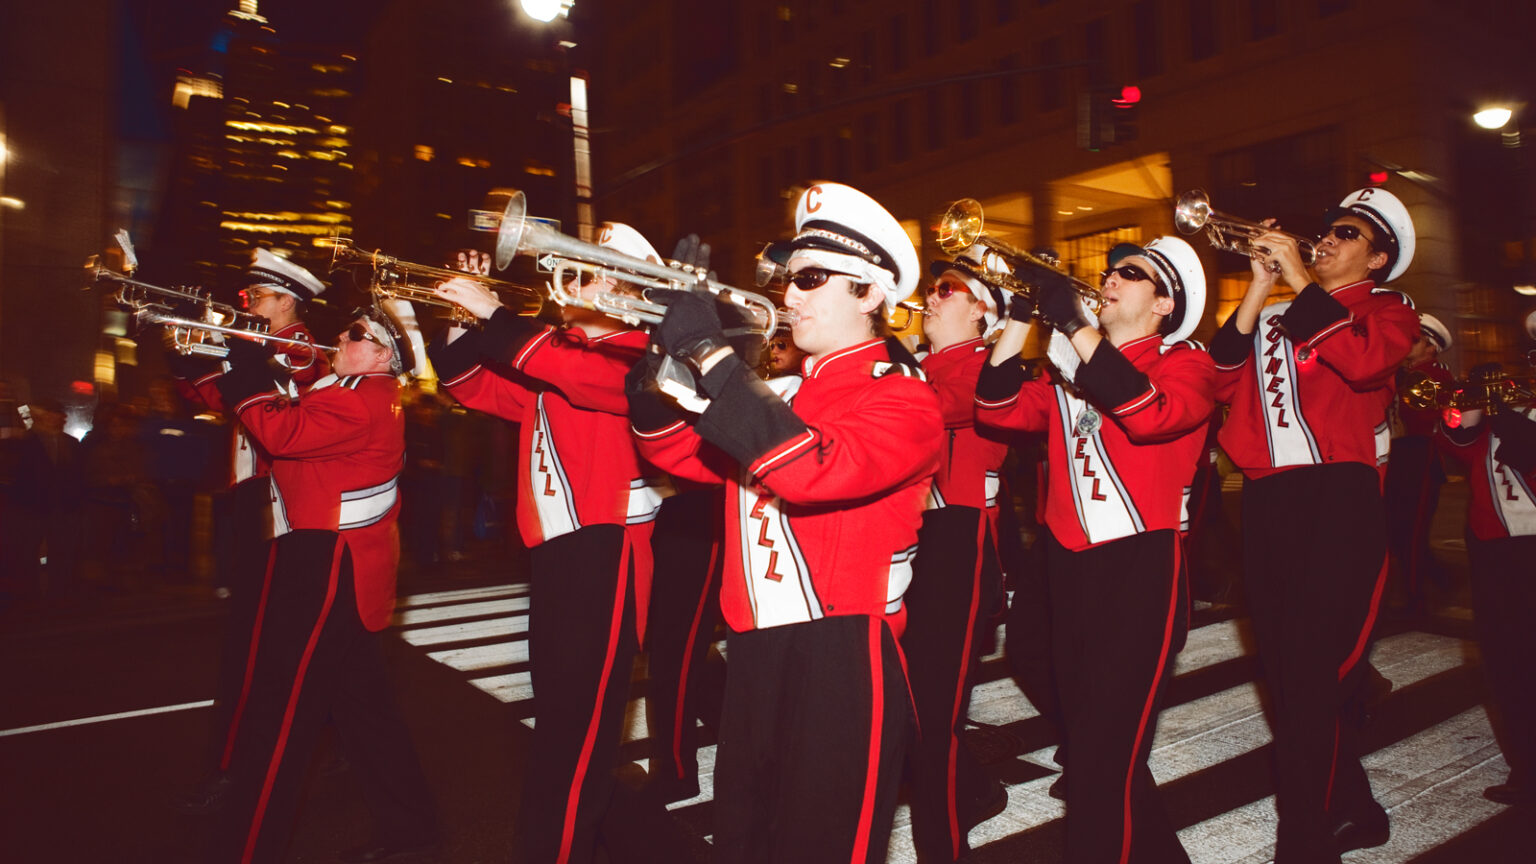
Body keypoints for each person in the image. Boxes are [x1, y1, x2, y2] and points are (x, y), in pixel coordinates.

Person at [629, 182, 940, 863]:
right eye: (788, 277)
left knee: (823, 848)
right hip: (754, 649)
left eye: (810, 278)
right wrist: (653, 364)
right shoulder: (782, 393)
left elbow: (811, 471)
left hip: (844, 653)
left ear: (871, 293)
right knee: (743, 842)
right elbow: (674, 452)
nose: (788, 294)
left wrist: (711, 355)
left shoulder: (905, 398)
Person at [426, 223, 668, 864]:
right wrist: (461, 313)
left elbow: (563, 369)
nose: (569, 278)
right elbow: (469, 386)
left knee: (575, 736)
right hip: (559, 553)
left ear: (624, 285)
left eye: (588, 270)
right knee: (564, 730)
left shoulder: (636, 353)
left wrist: (494, 313)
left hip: (604, 548)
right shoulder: (563, 352)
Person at [976, 236, 1213, 864]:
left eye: (1129, 275)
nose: (1108, 279)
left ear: (1165, 304)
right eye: (1108, 271)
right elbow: (994, 405)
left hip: (1138, 567)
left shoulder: (1186, 364)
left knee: (1104, 757)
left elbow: (1147, 413)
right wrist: (1024, 314)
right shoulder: (1067, 367)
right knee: (1099, 747)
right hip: (1064, 563)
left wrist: (1077, 326)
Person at [1208, 187, 1419, 861]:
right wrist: (1260, 284)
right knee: (1289, 675)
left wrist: (1299, 279)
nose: (1326, 238)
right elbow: (1216, 376)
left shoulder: (1389, 309)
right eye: (1325, 229)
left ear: (1378, 257)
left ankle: (1303, 841)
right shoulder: (1276, 313)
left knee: (1312, 677)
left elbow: (1361, 363)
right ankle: (1355, 809)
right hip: (1267, 500)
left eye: (1346, 233)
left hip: (1338, 498)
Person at [208, 307, 438, 864]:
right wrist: (224, 349)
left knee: (280, 713)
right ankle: (412, 826)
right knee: (364, 709)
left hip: (328, 562)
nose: (340, 337)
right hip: (346, 563)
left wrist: (242, 357)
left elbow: (278, 431)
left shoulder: (356, 398)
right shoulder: (359, 387)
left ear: (385, 353)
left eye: (355, 335)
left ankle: (247, 848)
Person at [168, 247, 332, 815]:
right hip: (254, 504)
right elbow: (210, 394)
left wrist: (228, 341)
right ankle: (288, 756)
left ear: (287, 300)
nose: (245, 305)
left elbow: (282, 376)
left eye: (256, 297)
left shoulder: (302, 345)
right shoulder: (260, 348)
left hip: (280, 507)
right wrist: (180, 343)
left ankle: (240, 771)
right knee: (270, 643)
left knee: (254, 645)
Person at [904, 243, 1012, 861]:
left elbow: (939, 409)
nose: (931, 297)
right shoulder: (919, 364)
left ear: (981, 312)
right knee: (909, 697)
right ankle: (970, 788)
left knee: (934, 703)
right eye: (935, 287)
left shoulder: (983, 365)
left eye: (948, 289)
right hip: (912, 540)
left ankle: (945, 837)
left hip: (958, 541)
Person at [1435, 363, 1536, 806]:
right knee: (1507, 662)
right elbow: (1458, 442)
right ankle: (1529, 770)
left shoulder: (1514, 409)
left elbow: (1526, 450)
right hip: (1495, 547)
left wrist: (1499, 406)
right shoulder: (1509, 400)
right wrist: (1468, 403)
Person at [1384, 313, 1455, 609]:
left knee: (1411, 530)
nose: (1407, 343)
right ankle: (1440, 577)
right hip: (1400, 454)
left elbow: (1422, 417)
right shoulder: (1404, 372)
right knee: (1397, 528)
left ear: (1430, 347)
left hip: (1420, 453)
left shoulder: (1434, 372)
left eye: (1415, 340)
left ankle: (1416, 596)